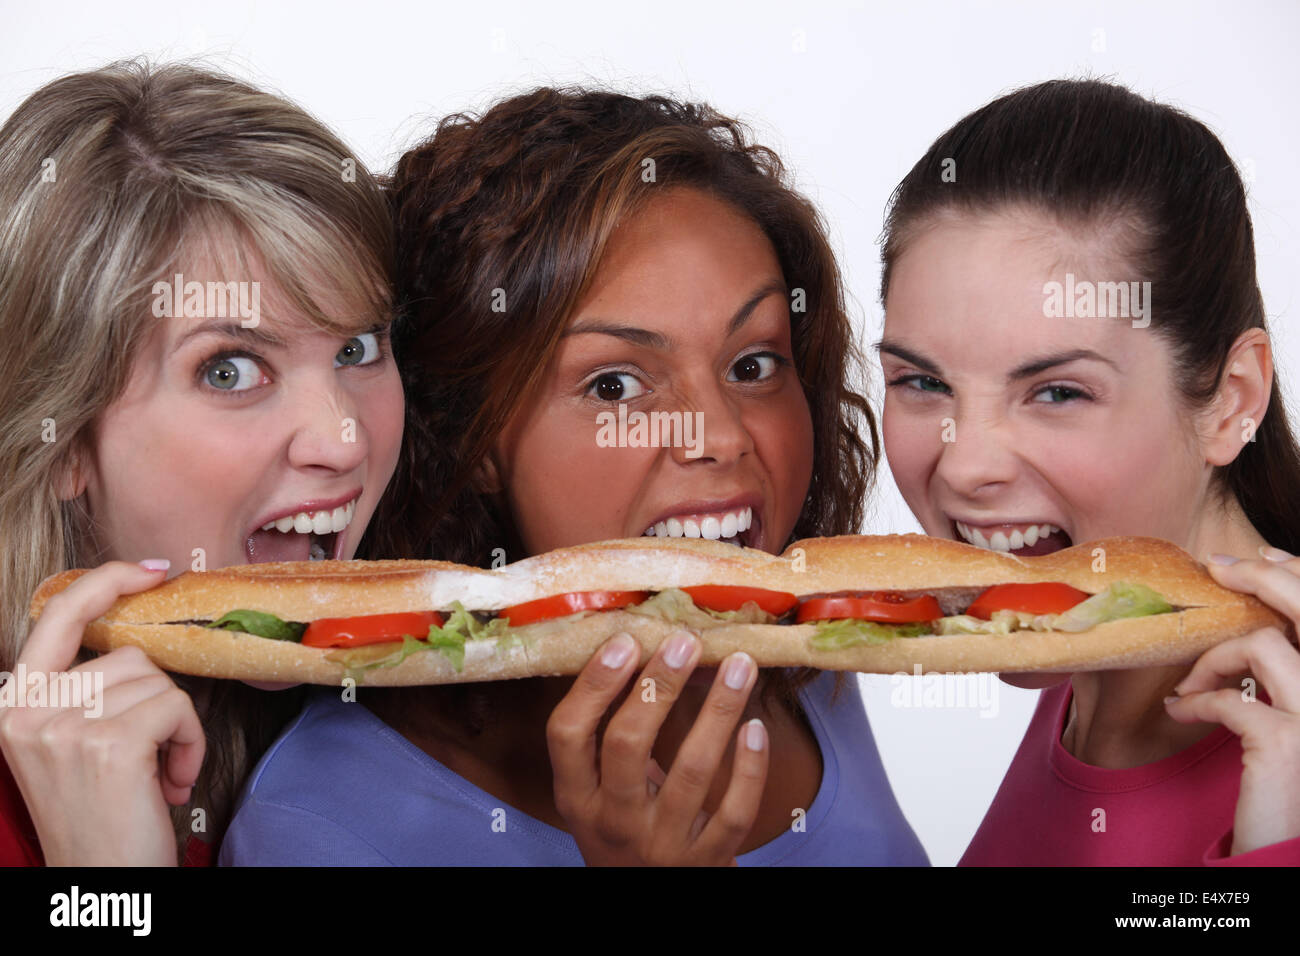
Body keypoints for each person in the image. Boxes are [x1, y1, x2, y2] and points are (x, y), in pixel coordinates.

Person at [222, 89, 928, 866]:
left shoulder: (807, 667)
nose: (722, 436)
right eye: (616, 386)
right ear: (478, 440)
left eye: (753, 365)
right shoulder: (320, 824)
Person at [875, 78, 1300, 864]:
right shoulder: (1089, 634)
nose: (965, 465)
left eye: (1059, 392)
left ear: (1231, 398)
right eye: (923, 382)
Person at [0, 60, 402, 865]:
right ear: (64, 440)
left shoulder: (382, 729)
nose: (344, 440)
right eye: (230, 370)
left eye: (357, 348)